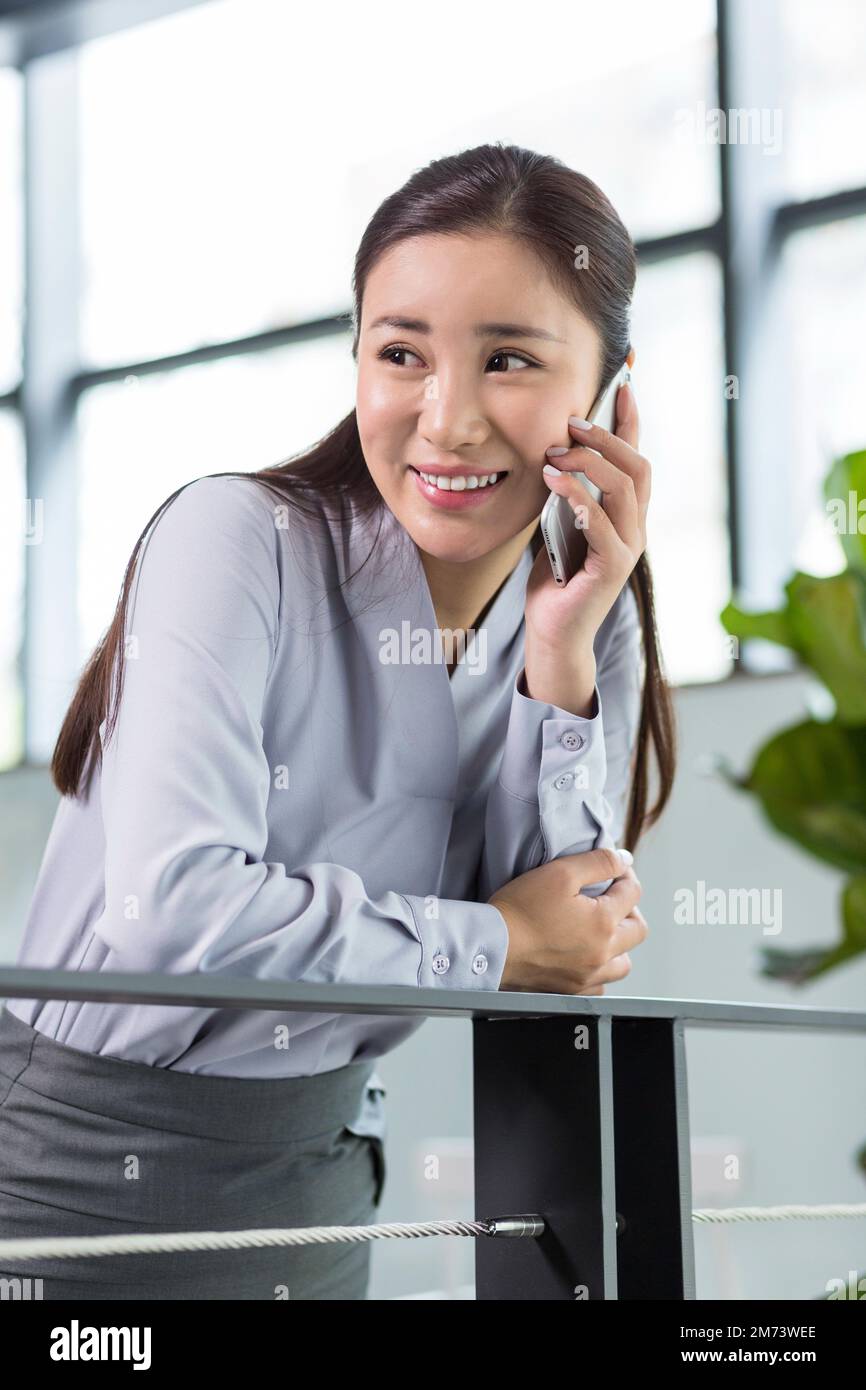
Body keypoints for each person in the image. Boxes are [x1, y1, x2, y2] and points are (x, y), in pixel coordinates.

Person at [0, 142, 675, 1301]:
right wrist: (496, 941)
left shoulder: (582, 612)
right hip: (66, 1180)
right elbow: (173, 911)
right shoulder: (236, 540)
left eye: (507, 358)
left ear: (611, 388)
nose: (446, 419)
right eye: (398, 352)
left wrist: (558, 660)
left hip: (316, 1187)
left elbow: (570, 941)